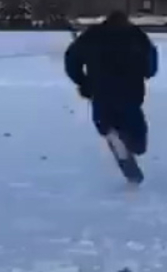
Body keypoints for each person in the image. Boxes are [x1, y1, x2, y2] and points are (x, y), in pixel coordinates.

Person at [64, 12, 159, 174]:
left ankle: (115, 139)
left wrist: (82, 81)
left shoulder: (92, 35)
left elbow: (71, 58)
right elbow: (151, 57)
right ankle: (129, 144)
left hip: (100, 90)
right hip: (130, 90)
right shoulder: (135, 35)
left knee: (105, 123)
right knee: (137, 135)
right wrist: (147, 72)